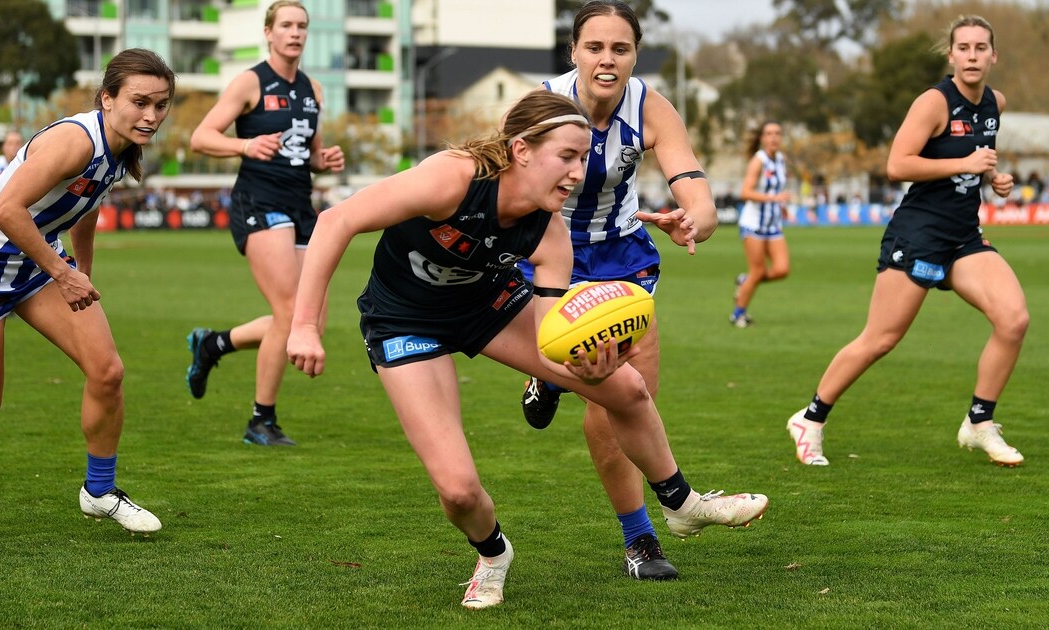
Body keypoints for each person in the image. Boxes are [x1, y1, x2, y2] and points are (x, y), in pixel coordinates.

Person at [286, 91, 768, 610]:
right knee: (459, 493)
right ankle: (493, 554)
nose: (578, 173)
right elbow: (336, 221)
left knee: (622, 385)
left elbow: (549, 338)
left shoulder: (550, 234)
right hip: (404, 319)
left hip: (488, 305)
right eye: (567, 156)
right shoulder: (452, 178)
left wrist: (582, 363)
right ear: (521, 150)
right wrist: (305, 325)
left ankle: (681, 503)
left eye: (584, 159)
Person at [0, 48, 174, 538]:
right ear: (107, 98)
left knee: (108, 371)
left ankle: (99, 492)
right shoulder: (76, 141)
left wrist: (83, 272)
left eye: (161, 105)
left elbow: (86, 206)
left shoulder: (120, 149)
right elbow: (5, 209)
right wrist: (63, 272)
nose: (151, 116)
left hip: (34, 267)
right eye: (140, 102)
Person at [519, 0, 721, 581]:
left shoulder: (651, 106)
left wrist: (695, 220)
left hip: (623, 255)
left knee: (627, 400)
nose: (607, 61)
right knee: (604, 386)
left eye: (621, 48)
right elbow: (505, 184)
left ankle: (640, 544)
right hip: (550, 255)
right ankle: (642, 535)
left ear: (635, 54)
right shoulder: (541, 106)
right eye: (595, 47)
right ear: (574, 51)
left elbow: (694, 187)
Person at [786, 15, 1026, 468]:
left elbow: (978, 152)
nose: (972, 56)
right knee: (881, 338)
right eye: (964, 48)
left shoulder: (996, 101)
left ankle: (979, 422)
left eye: (981, 48)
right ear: (950, 55)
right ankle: (810, 418)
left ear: (993, 55)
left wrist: (994, 176)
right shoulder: (934, 102)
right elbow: (898, 164)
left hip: (963, 237)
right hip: (917, 234)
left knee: (1013, 319)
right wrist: (968, 164)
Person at [187, 0, 344, 446]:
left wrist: (322, 159)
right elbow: (201, 136)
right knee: (291, 313)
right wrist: (244, 146)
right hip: (257, 201)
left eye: (302, 26)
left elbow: (307, 150)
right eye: (287, 26)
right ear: (269, 33)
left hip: (300, 204)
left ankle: (213, 345)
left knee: (308, 320)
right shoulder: (250, 82)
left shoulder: (313, 88)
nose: (295, 33)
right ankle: (261, 421)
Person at [731, 120, 790, 327]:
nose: (774, 137)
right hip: (753, 224)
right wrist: (773, 199)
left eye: (777, 133)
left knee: (782, 269)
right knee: (757, 271)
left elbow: (778, 190)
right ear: (762, 138)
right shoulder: (759, 160)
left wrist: (782, 206)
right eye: (769, 133)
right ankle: (738, 314)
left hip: (773, 224)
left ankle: (744, 281)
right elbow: (745, 192)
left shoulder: (781, 159)